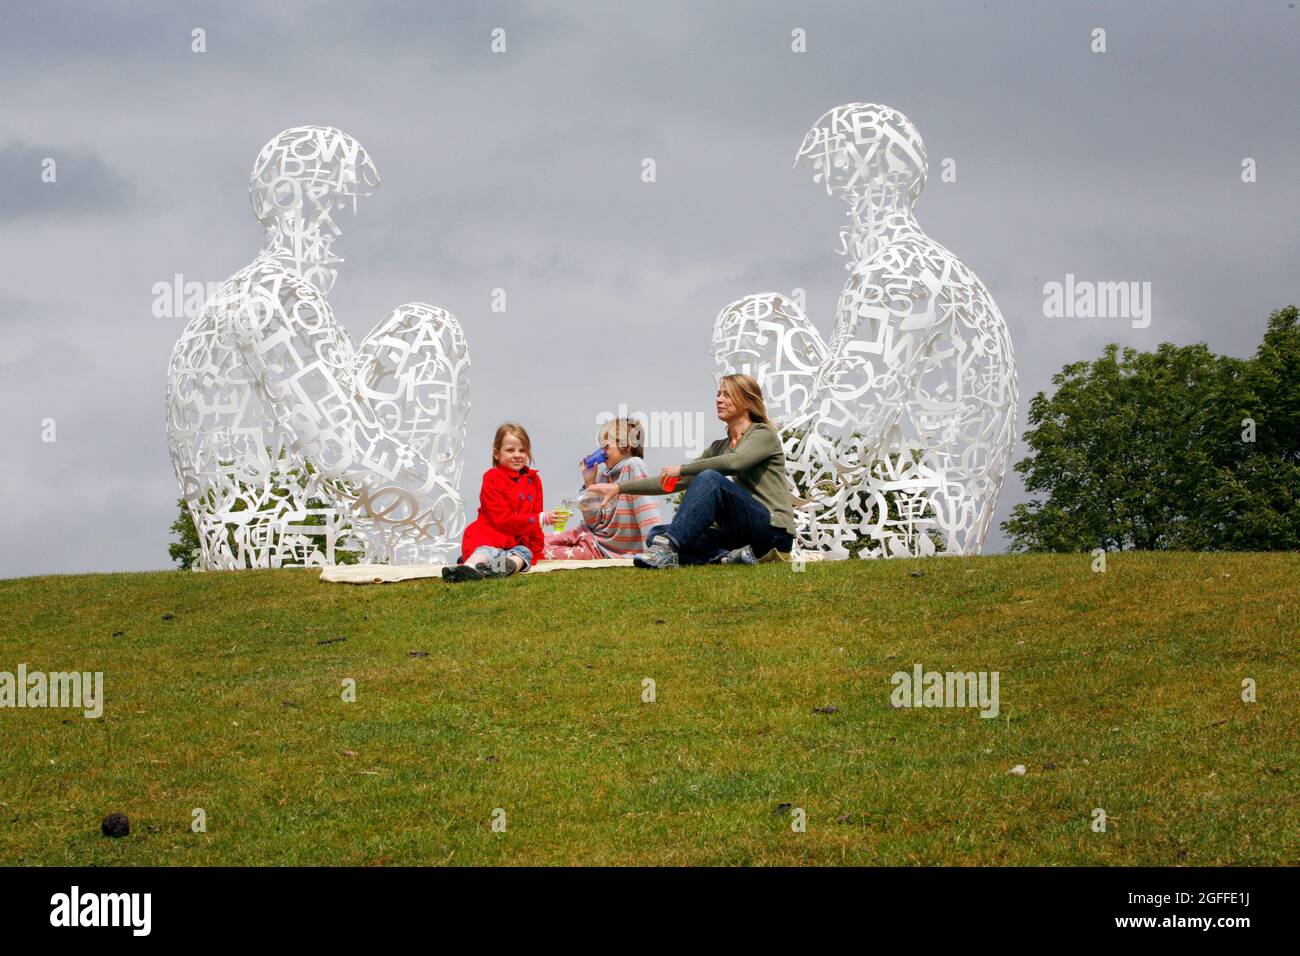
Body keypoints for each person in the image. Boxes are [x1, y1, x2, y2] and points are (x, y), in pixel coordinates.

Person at [588, 374, 795, 568]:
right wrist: (618, 488)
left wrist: (682, 469)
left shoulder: (763, 434)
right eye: (718, 394)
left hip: (773, 532)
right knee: (657, 535)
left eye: (727, 394)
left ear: (748, 402)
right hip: (742, 537)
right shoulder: (719, 447)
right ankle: (726, 557)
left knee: (710, 479)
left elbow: (735, 463)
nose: (719, 400)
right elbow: (675, 481)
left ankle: (666, 551)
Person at [543, 417, 662, 560]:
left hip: (608, 550)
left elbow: (647, 512)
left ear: (627, 446)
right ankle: (517, 549)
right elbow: (594, 522)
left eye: (606, 447)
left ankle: (520, 555)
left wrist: (654, 550)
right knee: (540, 543)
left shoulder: (633, 466)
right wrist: (589, 483)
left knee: (543, 552)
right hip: (592, 537)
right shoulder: (605, 476)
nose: (602, 453)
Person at [442, 423, 545, 582]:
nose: (517, 455)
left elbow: (536, 517)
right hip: (490, 537)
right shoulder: (492, 478)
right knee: (486, 551)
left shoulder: (534, 481)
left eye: (522, 450)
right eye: (510, 450)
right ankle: (468, 568)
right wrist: (539, 519)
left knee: (523, 553)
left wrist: (536, 549)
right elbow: (502, 519)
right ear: (497, 453)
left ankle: (503, 568)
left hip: (515, 543)